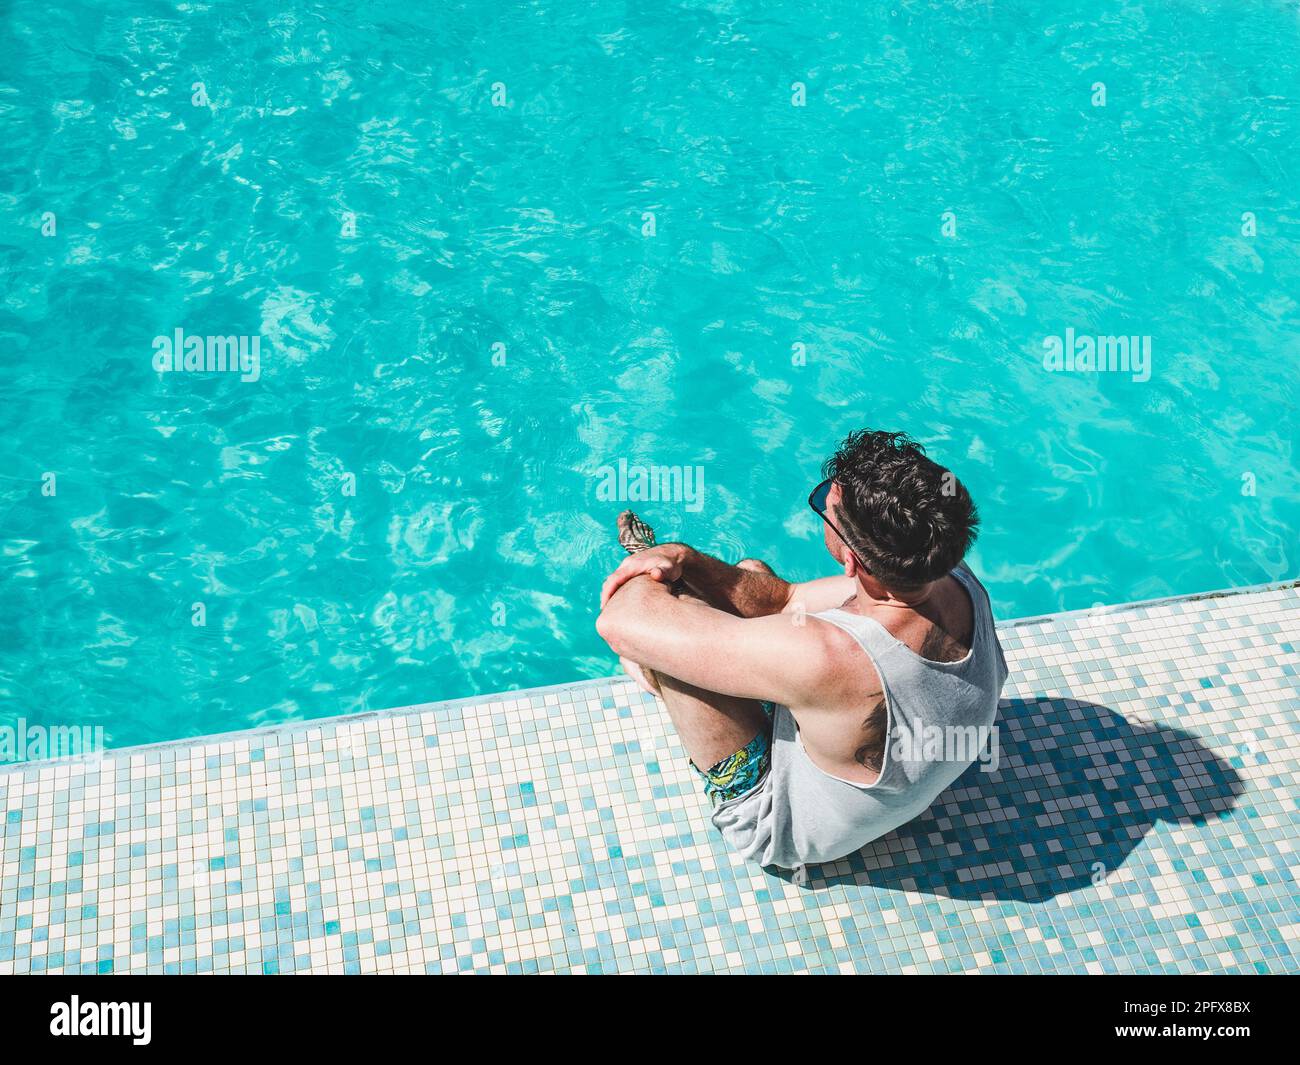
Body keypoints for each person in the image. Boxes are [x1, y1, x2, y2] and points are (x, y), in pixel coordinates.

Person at [595, 429, 1008, 870]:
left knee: (673, 617)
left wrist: (651, 560)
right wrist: (687, 557)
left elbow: (619, 623)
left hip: (780, 825)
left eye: (824, 509)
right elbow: (784, 600)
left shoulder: (831, 655)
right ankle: (683, 647)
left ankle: (657, 674)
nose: (820, 512)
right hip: (886, 767)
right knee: (748, 573)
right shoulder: (948, 572)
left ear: (849, 559)